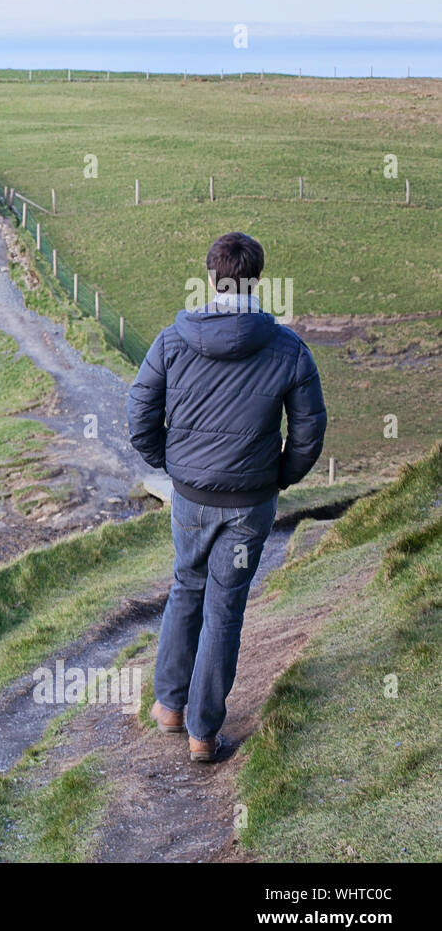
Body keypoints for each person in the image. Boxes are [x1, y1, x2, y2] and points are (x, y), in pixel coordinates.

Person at [126, 232, 327, 763]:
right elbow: (308, 431)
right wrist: (279, 477)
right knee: (225, 608)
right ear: (256, 279)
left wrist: (171, 466)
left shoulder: (172, 340)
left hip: (190, 497)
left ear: (210, 277)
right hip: (250, 503)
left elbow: (139, 414)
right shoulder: (288, 349)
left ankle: (169, 707)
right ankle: (202, 733)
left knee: (185, 588)